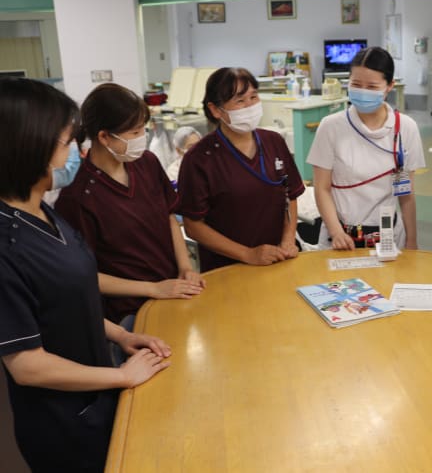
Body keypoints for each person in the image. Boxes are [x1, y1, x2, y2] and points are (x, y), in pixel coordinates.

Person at [0, 78, 171, 473]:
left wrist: (123, 335)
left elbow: (67, 303)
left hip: (98, 392)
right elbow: (27, 365)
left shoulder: (43, 212)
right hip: (63, 421)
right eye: (66, 143)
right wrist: (121, 376)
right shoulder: (7, 244)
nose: (76, 153)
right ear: (29, 147)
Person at [55, 83, 205, 325]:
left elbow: (169, 216)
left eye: (142, 130)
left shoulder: (146, 163)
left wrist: (186, 266)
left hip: (174, 290)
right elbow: (86, 276)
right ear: (104, 137)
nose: (141, 139)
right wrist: (153, 289)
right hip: (130, 310)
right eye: (134, 133)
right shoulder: (79, 197)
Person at [177, 67, 304, 271]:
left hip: (279, 259)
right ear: (216, 109)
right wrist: (248, 254)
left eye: (253, 97)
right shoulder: (200, 158)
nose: (250, 106)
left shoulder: (273, 142)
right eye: (240, 101)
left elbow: (291, 195)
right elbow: (193, 226)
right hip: (227, 267)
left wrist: (288, 241)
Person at [307, 46, 425, 250]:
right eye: (356, 84)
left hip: (388, 237)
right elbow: (322, 189)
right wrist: (336, 233)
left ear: (389, 86)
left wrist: (412, 242)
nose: (363, 91)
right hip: (340, 236)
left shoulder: (405, 128)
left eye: (371, 86)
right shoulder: (331, 126)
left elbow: (406, 195)